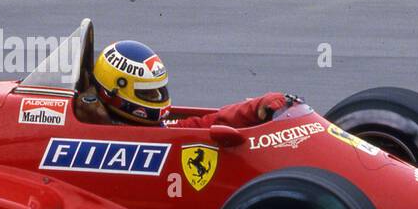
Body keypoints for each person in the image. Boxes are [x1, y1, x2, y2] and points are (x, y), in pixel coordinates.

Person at [77, 40, 290, 128]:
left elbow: (209, 122)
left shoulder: (160, 129)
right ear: (115, 92)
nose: (157, 98)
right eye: (149, 93)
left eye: (158, 91)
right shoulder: (89, 125)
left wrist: (257, 105)